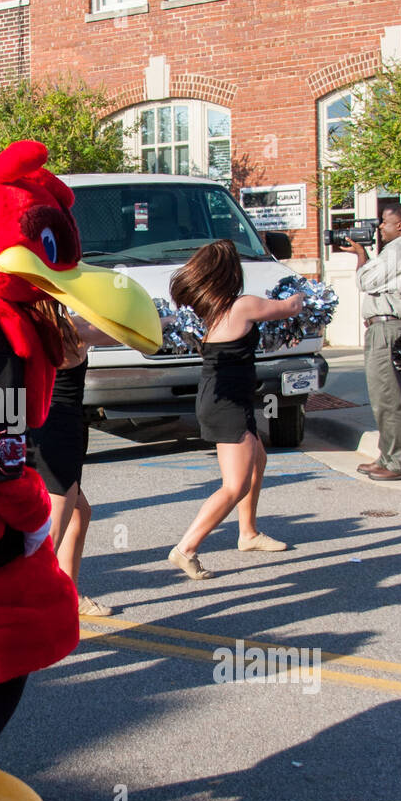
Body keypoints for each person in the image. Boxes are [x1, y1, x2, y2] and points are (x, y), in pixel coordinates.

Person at [167, 239, 304, 580]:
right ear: (231, 275)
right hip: (225, 403)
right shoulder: (242, 306)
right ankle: (186, 548)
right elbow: (288, 307)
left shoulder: (212, 310)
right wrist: (302, 293)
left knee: (258, 458)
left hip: (226, 397)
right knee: (235, 485)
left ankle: (248, 533)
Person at [27, 300, 121, 615]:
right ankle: (31, 603)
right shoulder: (71, 328)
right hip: (61, 429)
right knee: (54, 528)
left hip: (35, 425)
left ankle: (69, 594)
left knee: (80, 513)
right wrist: (164, 321)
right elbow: (123, 334)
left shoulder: (26, 328)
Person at [344, 203, 401, 481]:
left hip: (389, 328)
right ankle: (387, 455)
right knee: (386, 395)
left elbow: (367, 281)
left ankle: (396, 462)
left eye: (384, 222)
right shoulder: (392, 251)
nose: (379, 227)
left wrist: (361, 256)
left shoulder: (398, 249)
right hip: (385, 328)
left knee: (388, 397)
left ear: (400, 225)